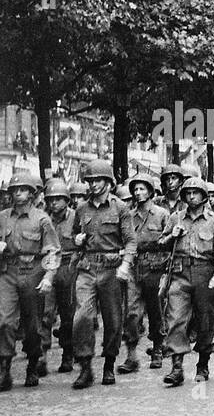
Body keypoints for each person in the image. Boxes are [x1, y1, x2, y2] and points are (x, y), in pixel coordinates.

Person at [71, 159, 137, 388]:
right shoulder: (81, 209)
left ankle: (109, 363)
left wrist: (125, 265)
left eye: (98, 180)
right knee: (82, 317)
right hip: (87, 268)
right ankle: (85, 367)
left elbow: (130, 241)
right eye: (90, 181)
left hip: (112, 270)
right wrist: (77, 241)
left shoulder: (121, 208)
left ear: (109, 182)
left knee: (113, 320)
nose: (93, 185)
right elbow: (74, 237)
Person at [160, 176, 214, 385]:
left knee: (205, 320)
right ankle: (177, 366)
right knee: (176, 318)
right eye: (188, 193)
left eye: (195, 193)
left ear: (203, 196)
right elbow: (161, 243)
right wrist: (172, 236)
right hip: (179, 273)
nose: (191, 197)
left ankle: (203, 364)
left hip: (204, 273)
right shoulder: (175, 218)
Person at [0, 172, 59, 390]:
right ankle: (4, 367)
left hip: (32, 272)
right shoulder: (3, 217)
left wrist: (48, 277)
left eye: (23, 190)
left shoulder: (42, 219)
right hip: (7, 272)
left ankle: (33, 362)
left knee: (33, 325)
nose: (18, 194)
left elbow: (53, 251)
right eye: (14, 190)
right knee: (4, 320)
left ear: (32, 193)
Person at [119, 170, 171, 374]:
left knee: (156, 310)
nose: (138, 193)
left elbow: (170, 243)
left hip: (156, 268)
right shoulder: (128, 216)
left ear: (150, 191)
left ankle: (158, 348)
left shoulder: (161, 214)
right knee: (131, 312)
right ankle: (131, 355)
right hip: (134, 267)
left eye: (142, 189)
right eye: (136, 189)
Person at [41, 178, 79, 372]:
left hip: (69, 266)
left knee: (68, 314)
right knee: (45, 313)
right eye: (50, 199)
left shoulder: (76, 217)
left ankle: (68, 353)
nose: (53, 203)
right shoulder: (42, 218)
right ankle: (42, 355)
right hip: (48, 266)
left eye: (58, 199)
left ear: (67, 200)